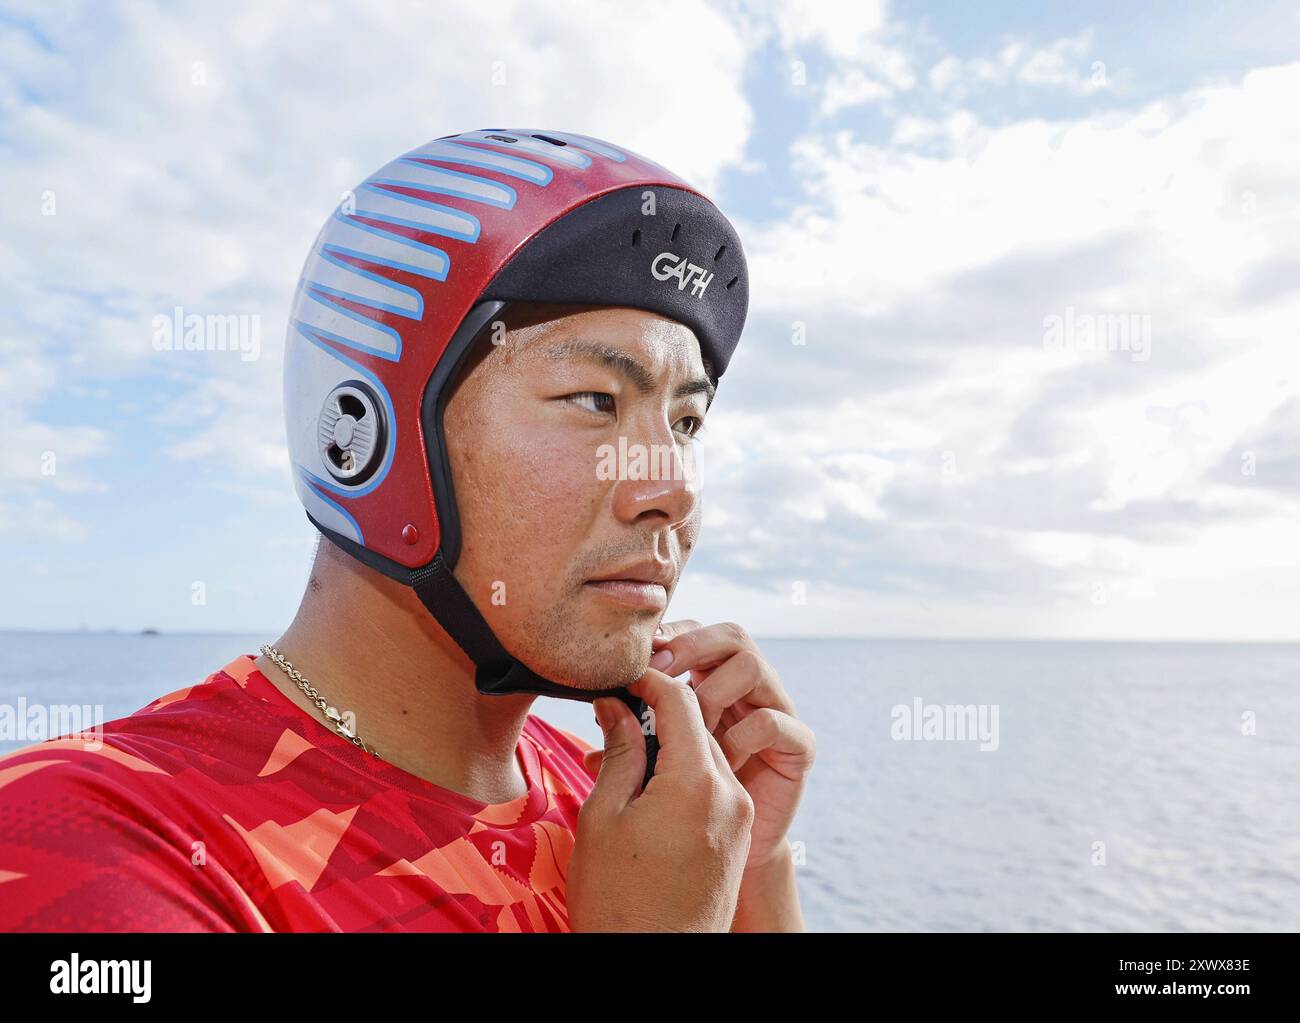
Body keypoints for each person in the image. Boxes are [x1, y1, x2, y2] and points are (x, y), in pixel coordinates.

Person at [0, 128, 816, 932]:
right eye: (596, 400)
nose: (672, 488)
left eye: (686, 422)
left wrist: (754, 876)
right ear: (372, 435)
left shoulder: (647, 827)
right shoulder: (90, 839)